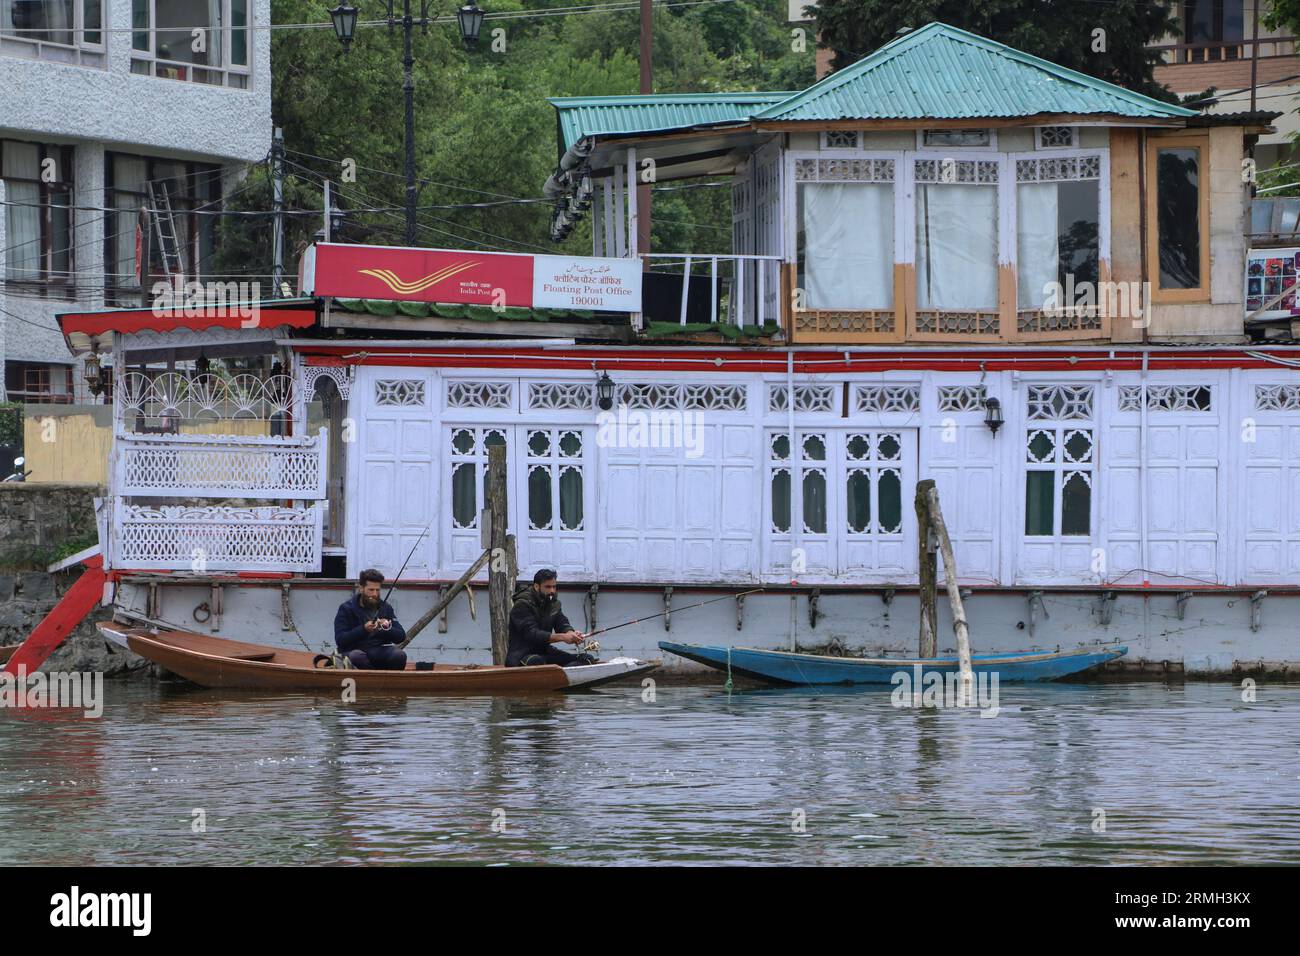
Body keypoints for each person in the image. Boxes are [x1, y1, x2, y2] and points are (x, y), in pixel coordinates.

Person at [507, 568, 595, 667]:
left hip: (544, 652)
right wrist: (563, 637)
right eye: (548, 587)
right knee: (536, 661)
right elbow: (532, 634)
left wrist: (571, 633)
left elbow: (562, 623)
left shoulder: (554, 604)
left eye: (554, 587)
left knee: (586, 659)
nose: (552, 591)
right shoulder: (522, 604)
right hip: (522, 655)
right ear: (537, 586)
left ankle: (565, 677)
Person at [334, 569, 408, 670]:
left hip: (377, 649)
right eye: (371, 590)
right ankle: (374, 679)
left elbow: (401, 636)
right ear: (361, 588)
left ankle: (388, 682)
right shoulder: (346, 608)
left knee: (399, 655)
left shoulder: (385, 608)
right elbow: (340, 640)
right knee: (356, 656)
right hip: (353, 650)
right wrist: (363, 629)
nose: (375, 594)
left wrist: (385, 629)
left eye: (377, 590)